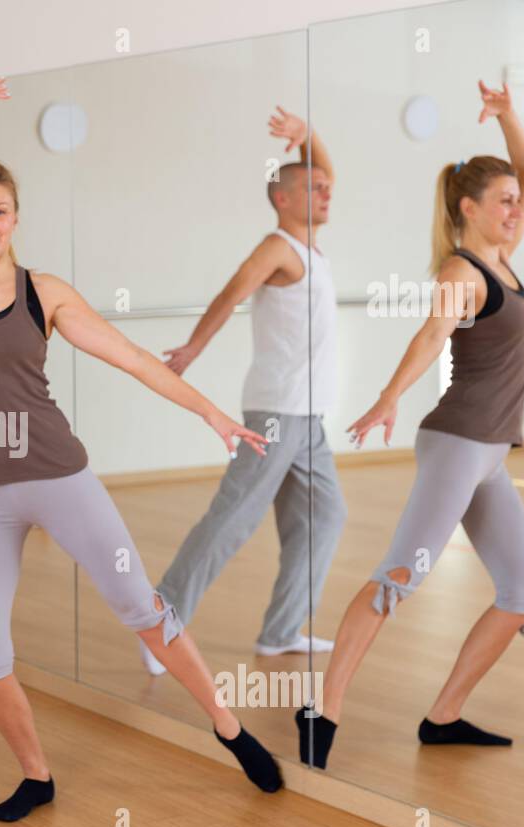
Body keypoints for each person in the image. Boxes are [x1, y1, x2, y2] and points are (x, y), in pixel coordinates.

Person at [0, 78, 284, 822]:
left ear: (16, 217)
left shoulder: (45, 293)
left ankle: (230, 729)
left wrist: (212, 414)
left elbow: (132, 357)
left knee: (142, 607)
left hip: (59, 476)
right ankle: (36, 775)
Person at [299, 81, 524, 769]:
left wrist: (508, 115)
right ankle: (322, 718)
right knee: (396, 580)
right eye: (502, 202)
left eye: (515, 202)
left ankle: (443, 718)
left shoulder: (503, 257)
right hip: (458, 444)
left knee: (522, 593)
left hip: (489, 451)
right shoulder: (462, 271)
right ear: (468, 209)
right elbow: (432, 336)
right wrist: (387, 397)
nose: (516, 208)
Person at [161, 106, 347, 657]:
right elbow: (232, 292)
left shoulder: (311, 250)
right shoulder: (278, 248)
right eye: (313, 189)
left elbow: (325, 173)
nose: (326, 195)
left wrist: (311, 134)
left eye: (326, 189)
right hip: (276, 411)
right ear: (282, 199)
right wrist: (194, 345)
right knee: (232, 520)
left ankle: (282, 632)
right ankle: (162, 619)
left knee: (324, 517)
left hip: (306, 417)